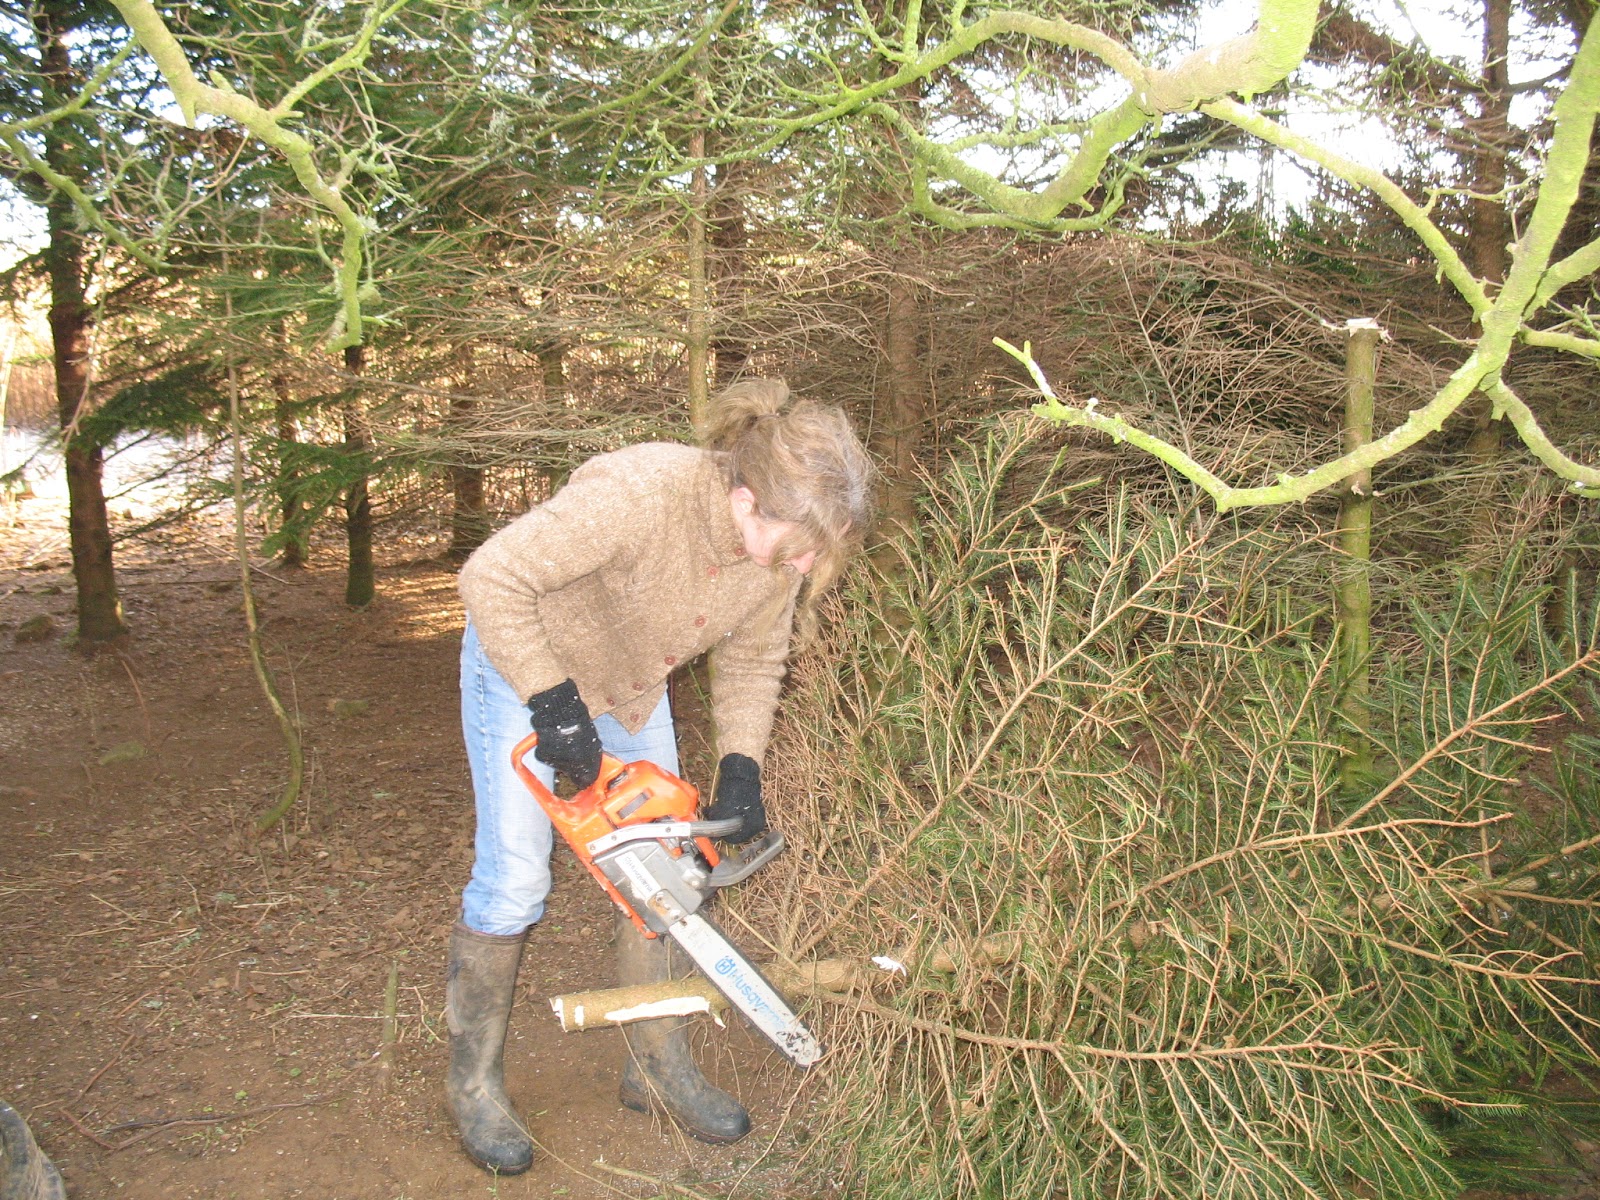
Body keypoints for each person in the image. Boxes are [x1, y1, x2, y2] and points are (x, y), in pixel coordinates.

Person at [445, 378, 875, 1174]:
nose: (806, 564)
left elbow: (753, 657)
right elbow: (491, 578)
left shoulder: (775, 555)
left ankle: (656, 1065)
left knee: (668, 881)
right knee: (514, 883)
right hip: (523, 666)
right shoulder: (640, 492)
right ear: (747, 500)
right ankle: (473, 1084)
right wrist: (552, 702)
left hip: (629, 688)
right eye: (800, 544)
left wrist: (741, 767)